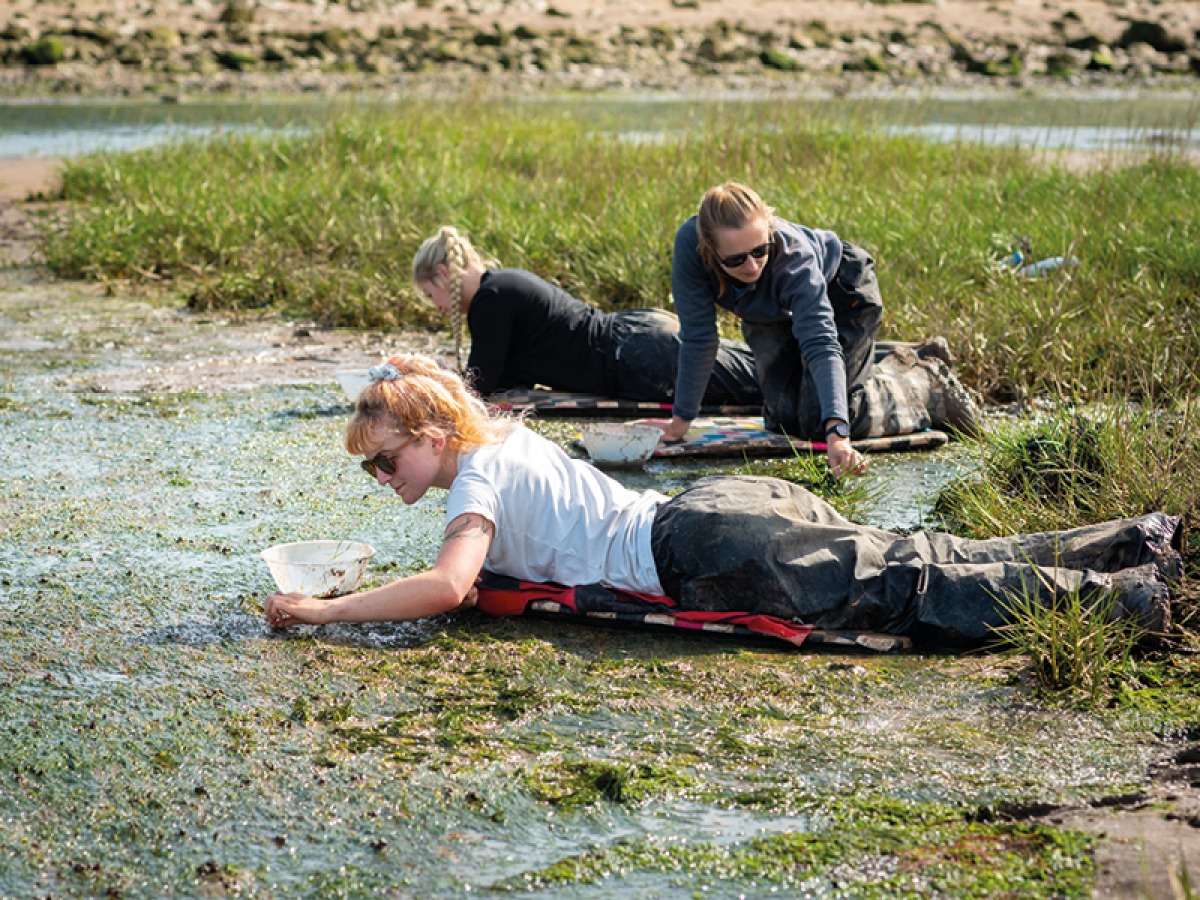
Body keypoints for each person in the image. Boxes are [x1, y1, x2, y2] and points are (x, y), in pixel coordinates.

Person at [263, 354, 1178, 648]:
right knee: (916, 552)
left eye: (384, 464)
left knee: (911, 588)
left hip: (702, 551)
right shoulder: (502, 434)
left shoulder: (477, 476)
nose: (383, 483)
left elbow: (452, 586)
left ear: (430, 437)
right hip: (711, 508)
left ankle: (1136, 598)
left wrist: (325, 609)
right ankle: (1138, 538)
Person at [659, 181, 980, 476]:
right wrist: (680, 422)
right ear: (709, 250)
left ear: (769, 231)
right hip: (769, 312)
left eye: (760, 251)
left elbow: (821, 344)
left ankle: (923, 380)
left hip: (845, 295)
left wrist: (838, 435)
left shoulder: (794, 259)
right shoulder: (690, 247)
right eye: (736, 260)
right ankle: (879, 360)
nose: (753, 266)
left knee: (817, 421)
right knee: (782, 420)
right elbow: (699, 339)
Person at [412, 226, 762, 408]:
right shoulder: (499, 289)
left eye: (431, 295)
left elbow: (479, 384)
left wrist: (426, 379)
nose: (437, 307)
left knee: (760, 384)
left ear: (443, 273)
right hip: (636, 342)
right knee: (758, 369)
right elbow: (501, 381)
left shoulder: (492, 299)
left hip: (634, 356)